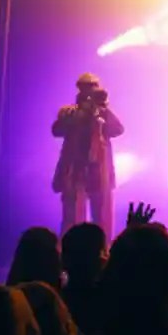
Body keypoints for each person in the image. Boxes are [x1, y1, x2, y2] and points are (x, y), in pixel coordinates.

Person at [51, 72, 124, 238]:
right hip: (75, 171)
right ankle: (70, 254)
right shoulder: (70, 111)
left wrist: (103, 110)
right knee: (72, 220)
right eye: (89, 87)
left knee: (103, 219)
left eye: (95, 86)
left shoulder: (103, 112)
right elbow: (57, 130)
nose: (93, 90)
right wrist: (83, 113)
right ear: (80, 89)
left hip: (98, 172)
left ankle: (103, 254)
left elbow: (118, 130)